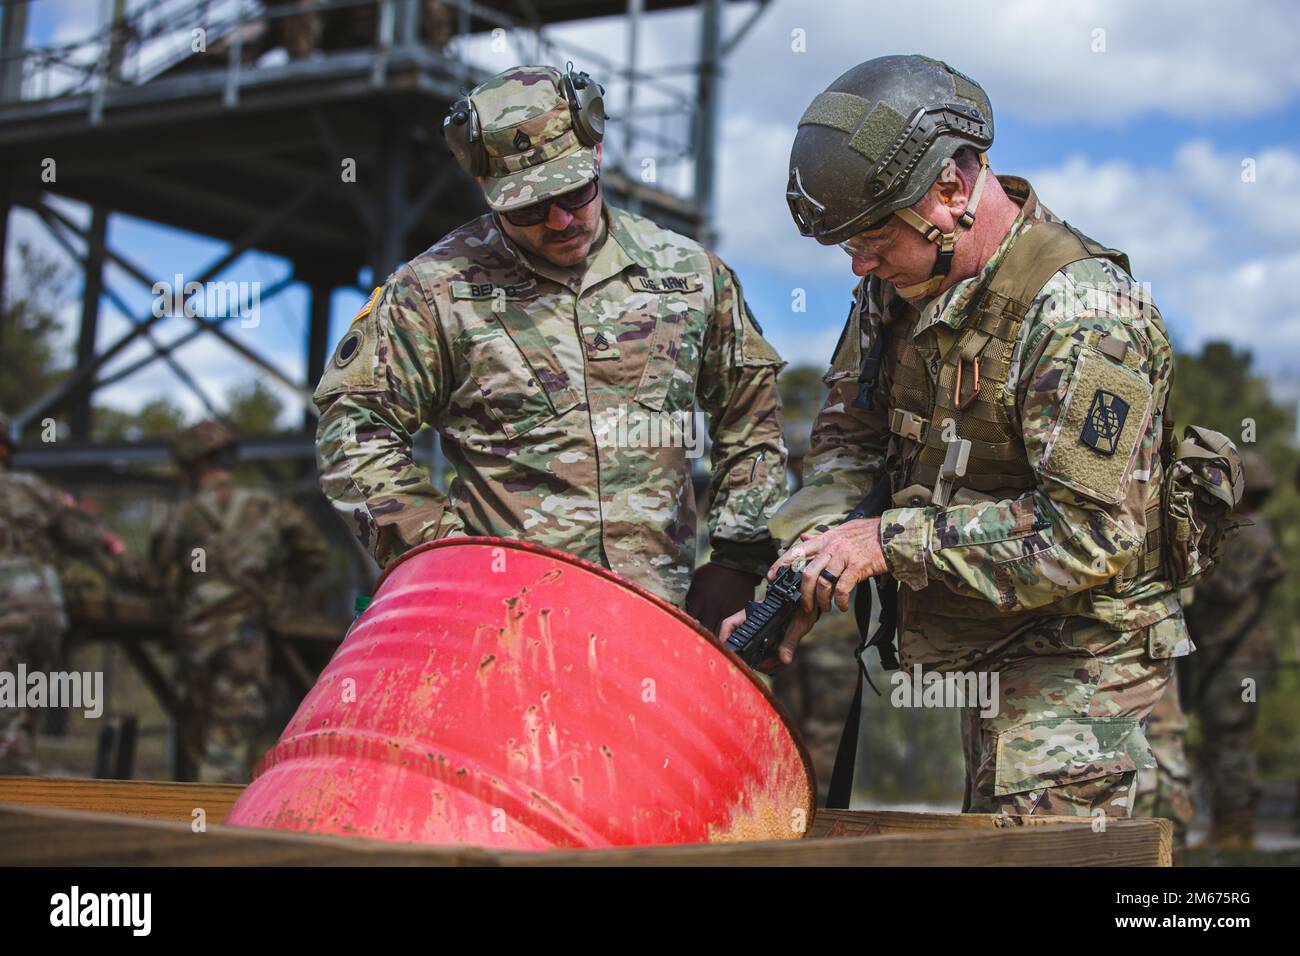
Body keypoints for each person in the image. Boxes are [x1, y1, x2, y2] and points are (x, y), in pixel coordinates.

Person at [724, 54, 1194, 818]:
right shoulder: (894, 284)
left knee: (1032, 851)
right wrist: (809, 566)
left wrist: (886, 545)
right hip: (948, 634)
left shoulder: (1086, 316)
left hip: (1071, 657)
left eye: (873, 239)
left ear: (949, 192)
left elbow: (1091, 533)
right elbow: (851, 440)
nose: (859, 263)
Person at [314, 64, 788, 631]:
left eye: (574, 192)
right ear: (487, 193)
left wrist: (738, 556)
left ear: (598, 154)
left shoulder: (688, 274)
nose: (561, 221)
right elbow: (355, 427)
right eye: (528, 209)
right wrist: (439, 554)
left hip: (659, 622)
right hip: (501, 624)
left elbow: (750, 415)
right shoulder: (434, 290)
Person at [149, 420, 328, 783]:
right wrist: (283, 592)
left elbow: (157, 572)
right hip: (244, 634)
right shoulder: (269, 508)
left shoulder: (180, 516)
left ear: (192, 462)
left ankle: (198, 817)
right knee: (231, 734)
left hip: (195, 639)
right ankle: (216, 821)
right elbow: (314, 555)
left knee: (196, 734)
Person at [0, 411, 123, 774]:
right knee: (18, 713)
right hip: (44, 611)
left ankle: (18, 795)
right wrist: (110, 542)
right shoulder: (32, 488)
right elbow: (87, 536)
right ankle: (21, 783)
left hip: (7, 611)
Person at [1181, 450, 1285, 848]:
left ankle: (1234, 826)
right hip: (1227, 650)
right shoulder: (1241, 528)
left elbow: (1229, 589)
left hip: (1238, 652)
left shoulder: (1248, 531)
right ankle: (1230, 823)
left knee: (1229, 737)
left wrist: (1191, 576)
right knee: (1221, 736)